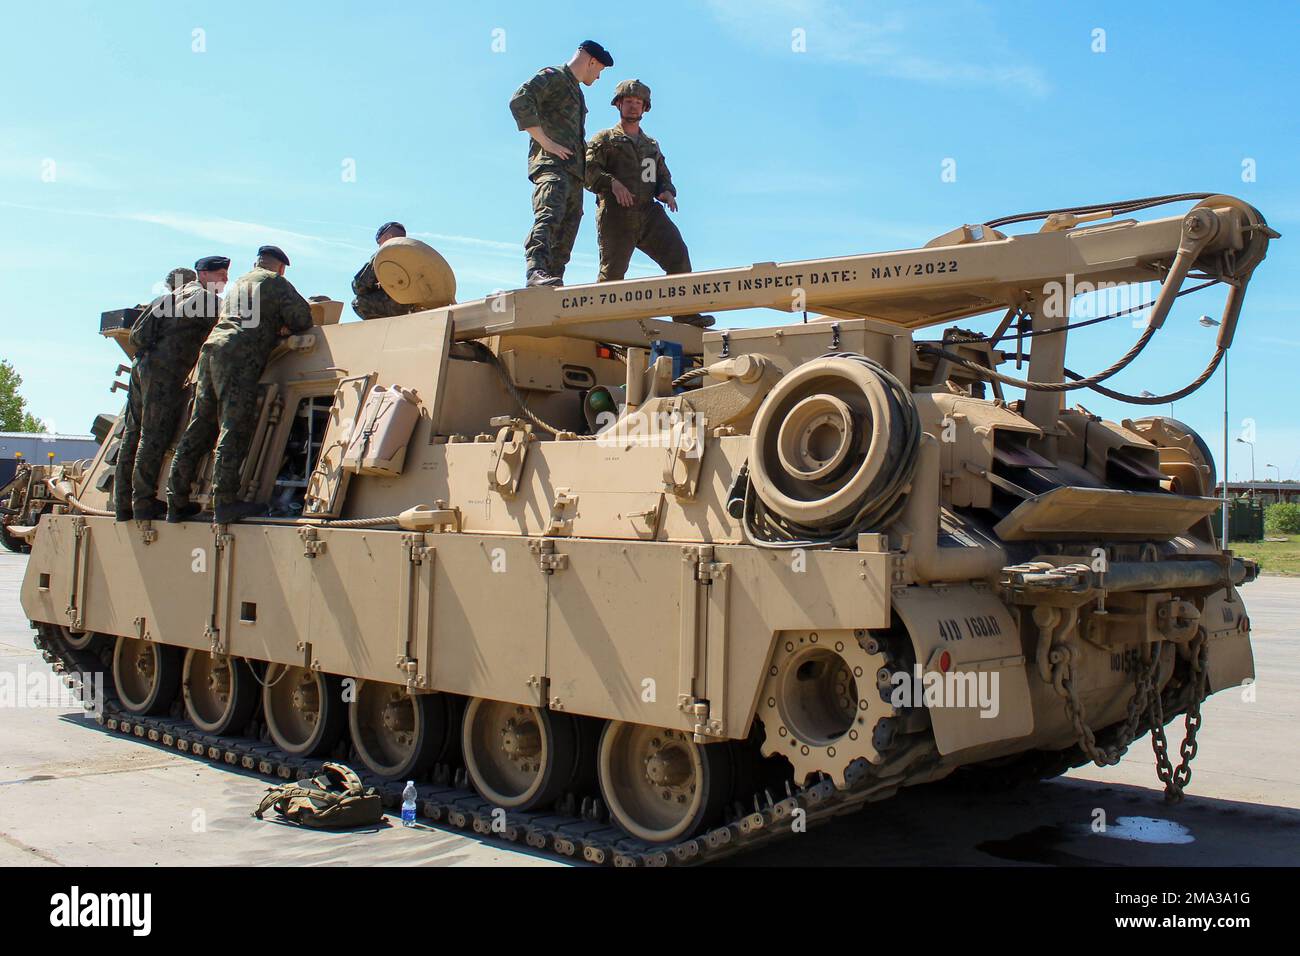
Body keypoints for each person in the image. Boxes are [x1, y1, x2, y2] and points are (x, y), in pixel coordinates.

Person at [166, 245, 313, 525]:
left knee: (199, 425)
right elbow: (303, 318)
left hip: (211, 350)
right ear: (280, 268)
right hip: (239, 355)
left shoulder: (238, 284)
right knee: (234, 426)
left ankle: (176, 501)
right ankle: (224, 503)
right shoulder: (274, 282)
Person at [585, 79, 713, 328]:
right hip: (617, 215)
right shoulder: (605, 139)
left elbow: (660, 175)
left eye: (638, 103)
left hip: (648, 213)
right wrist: (612, 183)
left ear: (645, 108)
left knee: (678, 255)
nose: (634, 107)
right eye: (629, 102)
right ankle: (603, 320)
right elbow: (588, 171)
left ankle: (684, 313)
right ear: (619, 104)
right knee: (613, 272)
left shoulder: (650, 145)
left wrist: (666, 192)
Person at [114, 257, 229, 521]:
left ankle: (123, 504)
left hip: (141, 365)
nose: (224, 280)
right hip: (166, 373)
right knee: (154, 435)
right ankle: (143, 502)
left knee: (133, 433)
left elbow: (137, 336)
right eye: (221, 274)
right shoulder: (209, 302)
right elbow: (228, 332)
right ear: (204, 275)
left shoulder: (170, 297)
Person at [509, 39, 613, 287]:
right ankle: (536, 271)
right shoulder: (553, 76)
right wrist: (546, 142)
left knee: (567, 230)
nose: (598, 77)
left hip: (574, 175)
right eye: (599, 70)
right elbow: (520, 100)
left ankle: (553, 281)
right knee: (549, 216)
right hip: (552, 168)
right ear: (591, 61)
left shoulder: (576, 91)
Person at [351, 221, 420, 320]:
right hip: (417, 308)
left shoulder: (384, 254)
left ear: (388, 237)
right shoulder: (416, 254)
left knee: (358, 302)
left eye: (379, 241)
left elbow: (359, 286)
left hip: (396, 306)